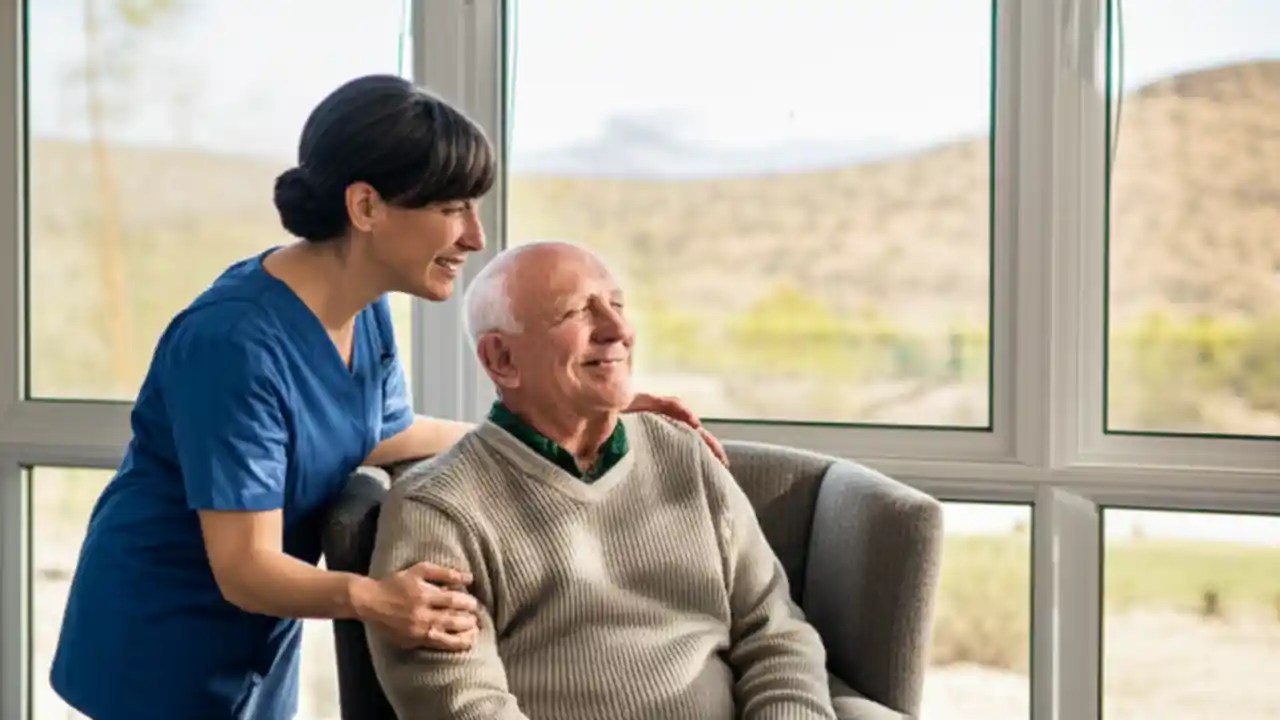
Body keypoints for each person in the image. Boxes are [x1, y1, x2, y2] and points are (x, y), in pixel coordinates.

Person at [49, 75, 721, 720]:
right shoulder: (233, 344)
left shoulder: (360, 310)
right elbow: (244, 567)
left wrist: (562, 417)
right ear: (365, 207)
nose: (475, 237)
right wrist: (373, 597)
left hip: (258, 636)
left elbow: (379, 431)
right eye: (451, 208)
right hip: (160, 638)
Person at [367, 241, 837, 720]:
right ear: (502, 359)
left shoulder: (685, 454)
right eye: (576, 312)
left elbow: (775, 633)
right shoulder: (437, 508)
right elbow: (462, 706)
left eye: (616, 304)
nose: (617, 330)